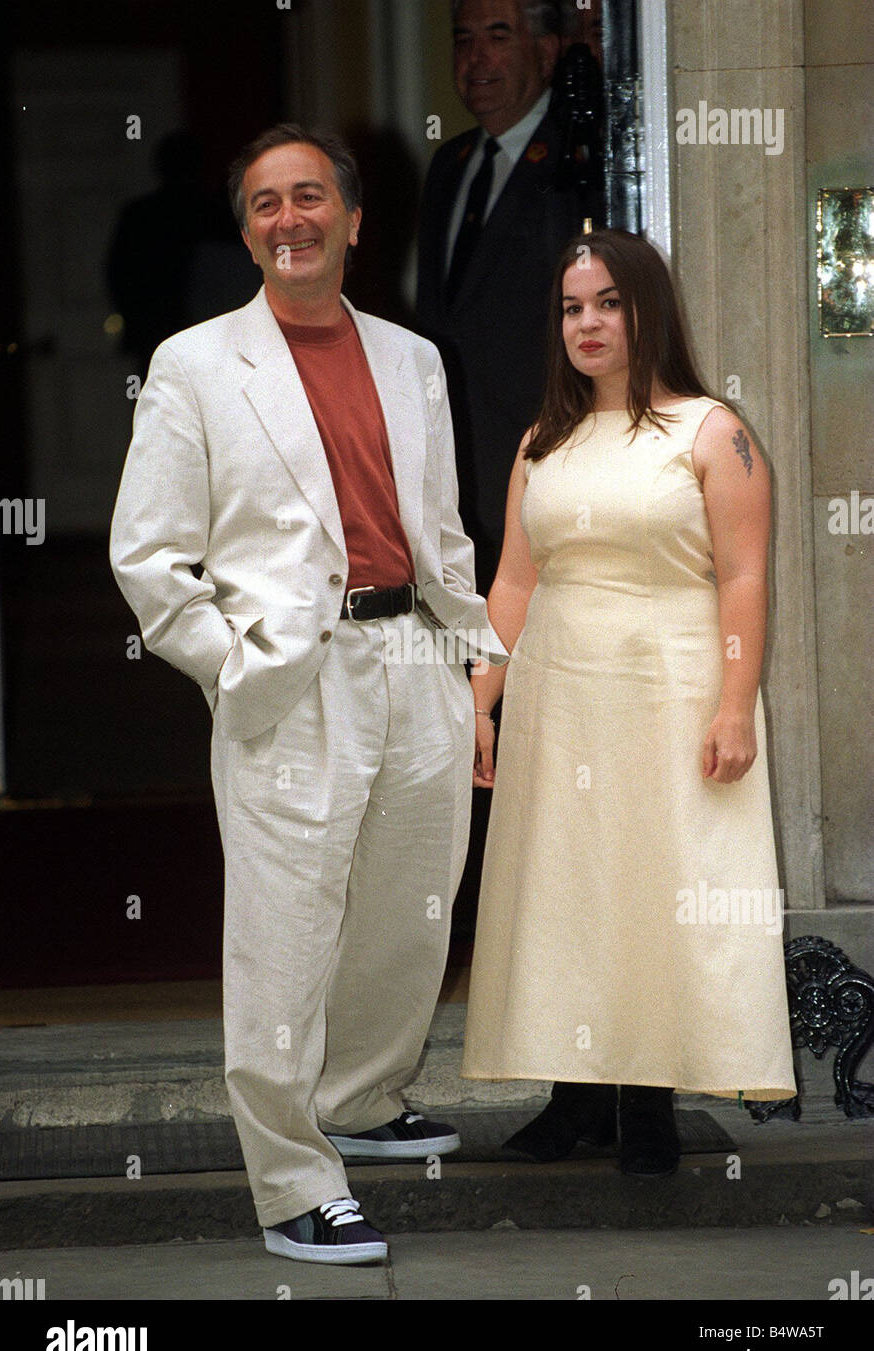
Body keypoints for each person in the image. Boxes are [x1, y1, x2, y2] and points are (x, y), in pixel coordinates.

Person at [109, 123, 508, 1264]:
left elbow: (440, 528)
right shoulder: (195, 364)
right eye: (267, 203)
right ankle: (290, 1183)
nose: (292, 219)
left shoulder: (411, 357)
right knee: (282, 934)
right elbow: (147, 555)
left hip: (417, 660)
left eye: (311, 197)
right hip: (291, 674)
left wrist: (473, 652)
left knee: (409, 899)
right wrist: (228, 664)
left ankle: (366, 1097)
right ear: (246, 229)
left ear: (352, 218)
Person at [461, 229, 796, 1176]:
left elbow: (742, 577)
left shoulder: (711, 430)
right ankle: (574, 1101)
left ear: (649, 308)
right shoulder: (544, 441)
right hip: (563, 698)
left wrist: (735, 705)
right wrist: (483, 698)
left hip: (670, 691)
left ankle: (647, 1104)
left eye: (608, 302)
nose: (589, 323)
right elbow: (515, 585)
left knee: (656, 886)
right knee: (568, 889)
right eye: (572, 308)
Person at [416, 0, 603, 594]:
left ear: (547, 52)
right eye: (463, 39)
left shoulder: (582, 156)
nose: (477, 58)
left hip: (545, 448)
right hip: (455, 459)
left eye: (498, 36)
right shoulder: (450, 163)